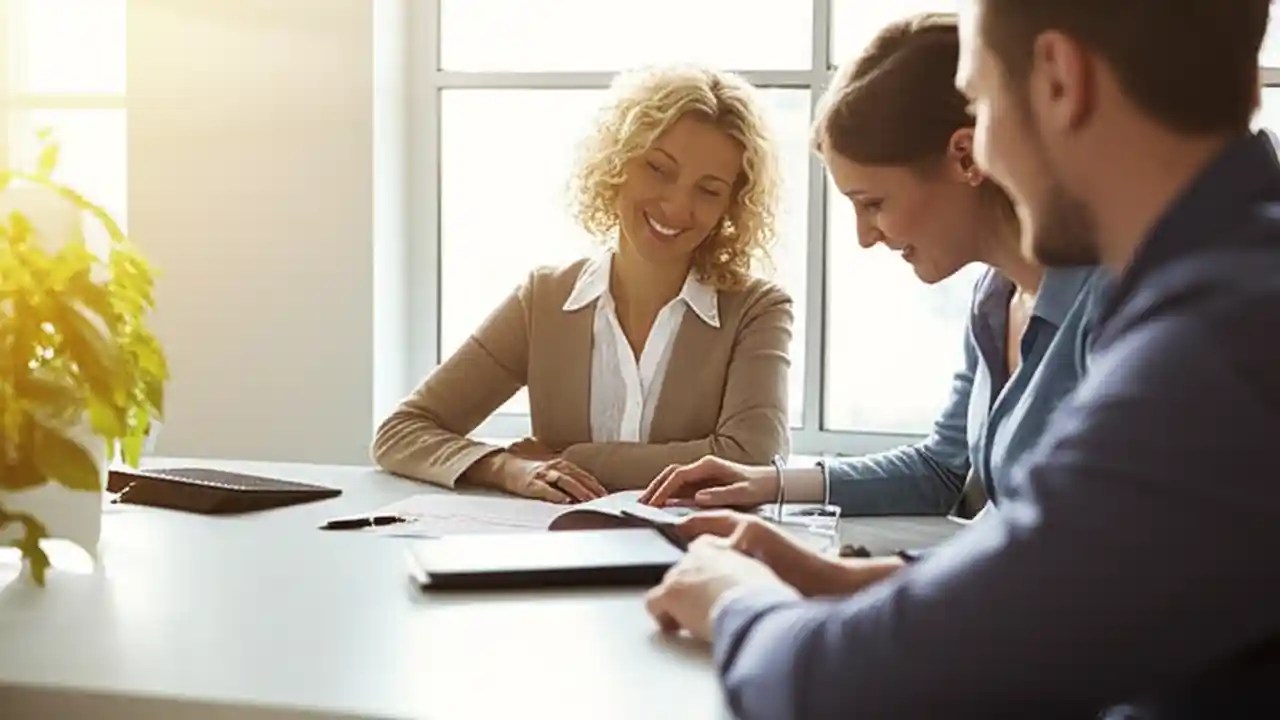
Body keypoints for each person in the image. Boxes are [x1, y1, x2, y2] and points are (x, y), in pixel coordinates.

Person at [644, 0, 1280, 717]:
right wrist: (858, 581)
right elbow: (1065, 592)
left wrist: (734, 598)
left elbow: (841, 688)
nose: (983, 148)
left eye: (979, 99)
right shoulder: (1226, 288)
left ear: (1059, 80)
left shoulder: (1221, 346)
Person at [641, 15, 1108, 517]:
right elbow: (939, 470)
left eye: (874, 203)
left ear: (965, 157)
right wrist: (765, 483)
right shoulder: (994, 301)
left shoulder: (1109, 302)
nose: (865, 236)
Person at [372, 66, 793, 503]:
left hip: (694, 561)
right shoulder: (545, 300)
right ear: (618, 162)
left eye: (708, 191)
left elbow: (753, 460)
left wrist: (572, 459)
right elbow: (402, 432)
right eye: (658, 169)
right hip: (558, 558)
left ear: (731, 208)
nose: (676, 205)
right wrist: (506, 467)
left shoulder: (756, 311)